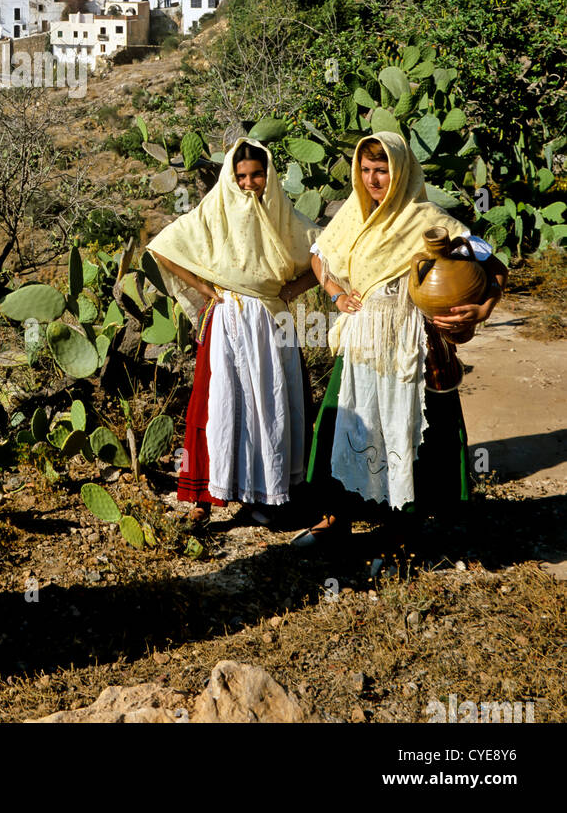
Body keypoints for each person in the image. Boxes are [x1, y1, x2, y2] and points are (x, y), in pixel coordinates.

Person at [293, 132, 507, 552]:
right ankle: (336, 519)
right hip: (362, 343)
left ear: (402, 171)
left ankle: (401, 533)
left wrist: (481, 311)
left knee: (406, 433)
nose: (373, 180)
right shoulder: (352, 215)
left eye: (383, 170)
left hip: (413, 346)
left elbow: (494, 267)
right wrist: (336, 293)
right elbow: (319, 254)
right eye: (366, 170)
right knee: (346, 426)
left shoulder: (430, 220)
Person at [147, 138, 319, 527]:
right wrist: (206, 288)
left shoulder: (284, 214)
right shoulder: (216, 209)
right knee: (217, 404)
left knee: (272, 405)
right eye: (241, 176)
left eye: (256, 174)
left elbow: (325, 253)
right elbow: (164, 248)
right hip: (227, 320)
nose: (249, 183)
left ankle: (269, 493)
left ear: (268, 174)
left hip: (272, 321)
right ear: (231, 176)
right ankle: (206, 496)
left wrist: (292, 289)